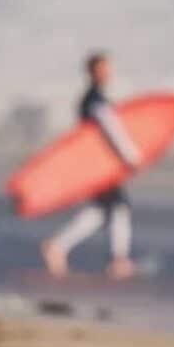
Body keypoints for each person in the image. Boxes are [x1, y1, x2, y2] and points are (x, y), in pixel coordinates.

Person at [40, 51, 140, 280]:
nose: (108, 72)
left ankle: (58, 246)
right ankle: (118, 260)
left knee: (102, 211)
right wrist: (130, 156)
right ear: (93, 72)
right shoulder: (95, 101)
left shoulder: (89, 99)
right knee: (118, 207)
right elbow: (111, 130)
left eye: (108, 68)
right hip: (101, 165)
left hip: (97, 164)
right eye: (103, 68)